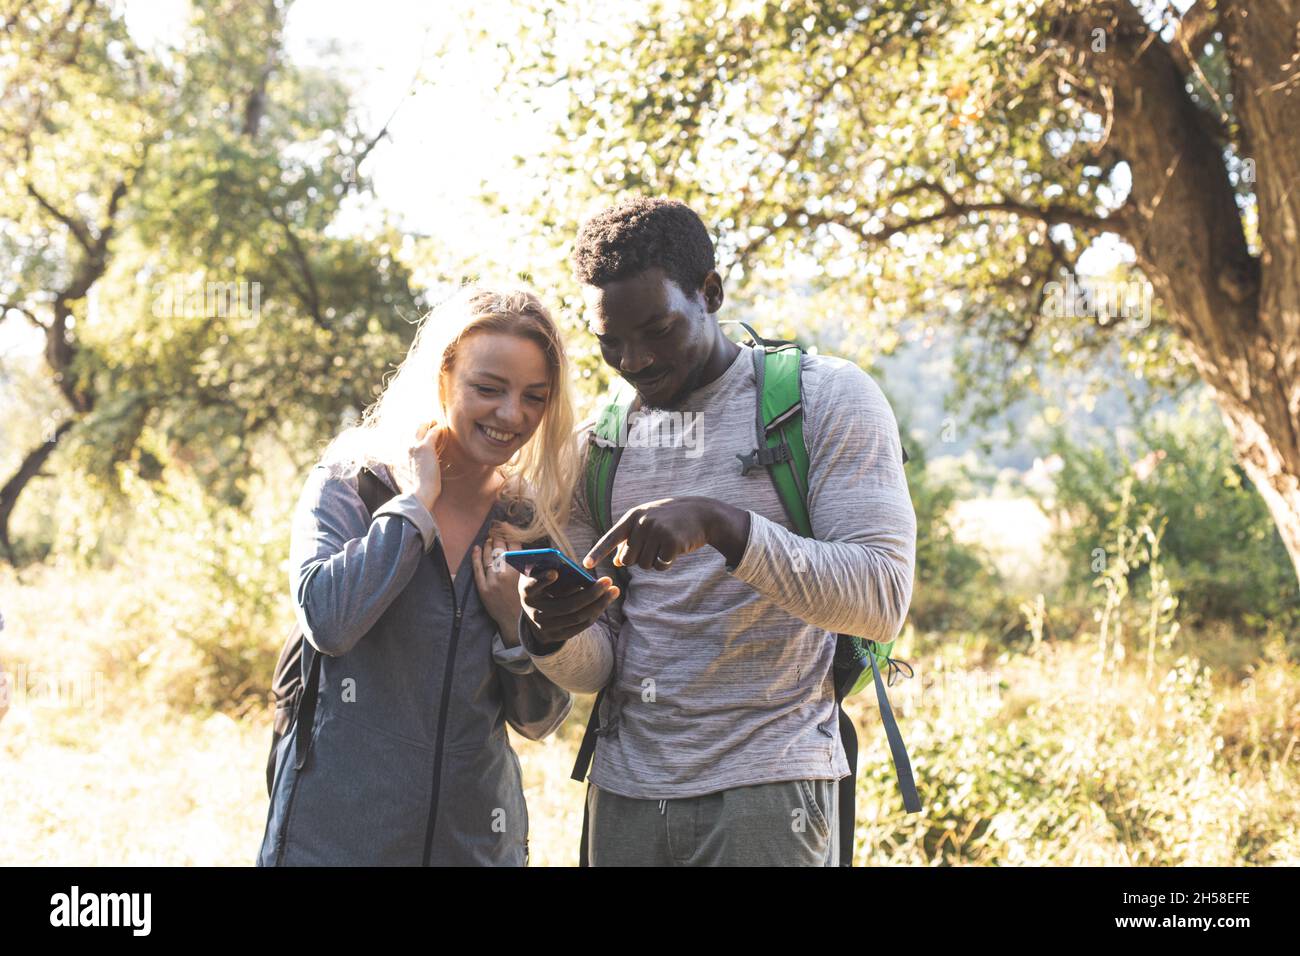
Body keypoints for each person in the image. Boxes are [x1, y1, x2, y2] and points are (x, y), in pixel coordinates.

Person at [518, 197, 916, 866]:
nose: (634, 360)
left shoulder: (827, 402)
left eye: (658, 329)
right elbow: (600, 665)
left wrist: (723, 526)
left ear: (711, 292)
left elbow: (879, 600)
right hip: (624, 793)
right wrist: (550, 631)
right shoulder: (598, 446)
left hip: (770, 789)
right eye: (609, 341)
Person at [258, 287, 581, 866]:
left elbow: (541, 719)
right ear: (442, 375)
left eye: (535, 397)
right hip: (334, 845)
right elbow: (328, 621)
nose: (513, 415)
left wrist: (514, 625)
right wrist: (415, 508)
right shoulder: (352, 480)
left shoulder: (526, 518)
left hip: (476, 846)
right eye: (488, 388)